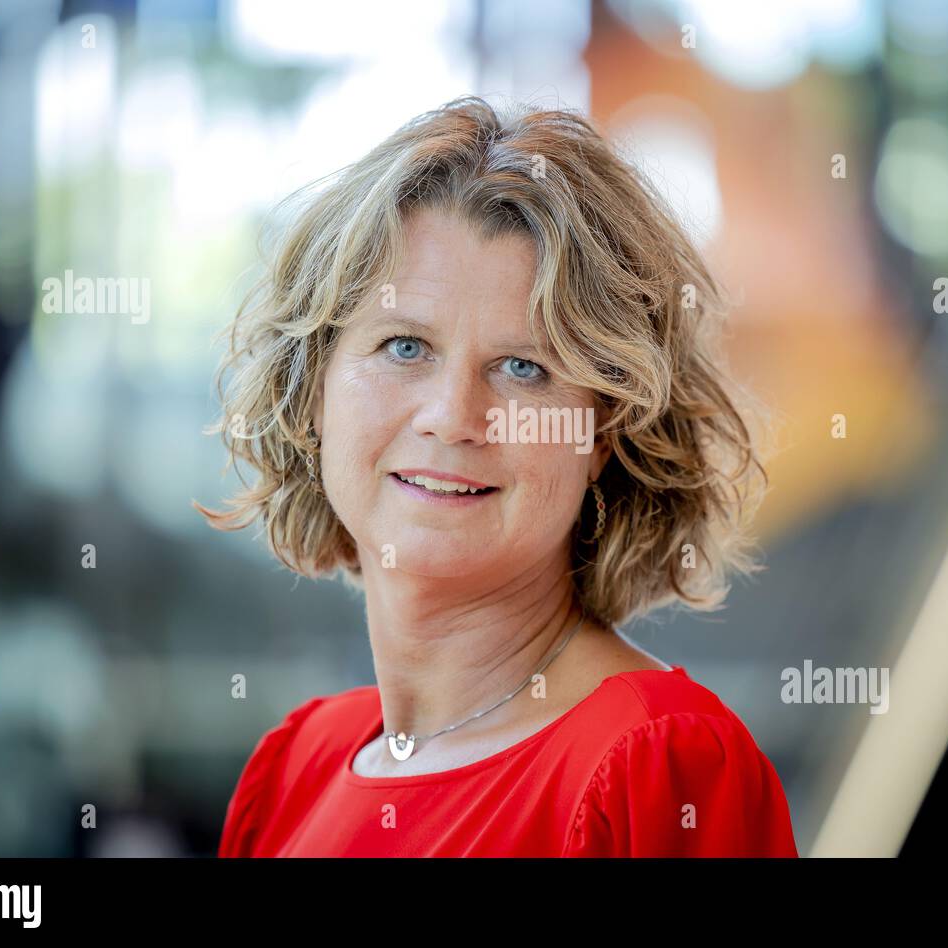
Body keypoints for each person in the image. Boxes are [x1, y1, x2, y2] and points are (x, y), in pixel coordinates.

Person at [199, 95, 797, 857]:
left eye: (523, 368)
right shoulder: (296, 770)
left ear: (604, 432)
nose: (452, 417)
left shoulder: (656, 762)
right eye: (405, 347)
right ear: (313, 388)